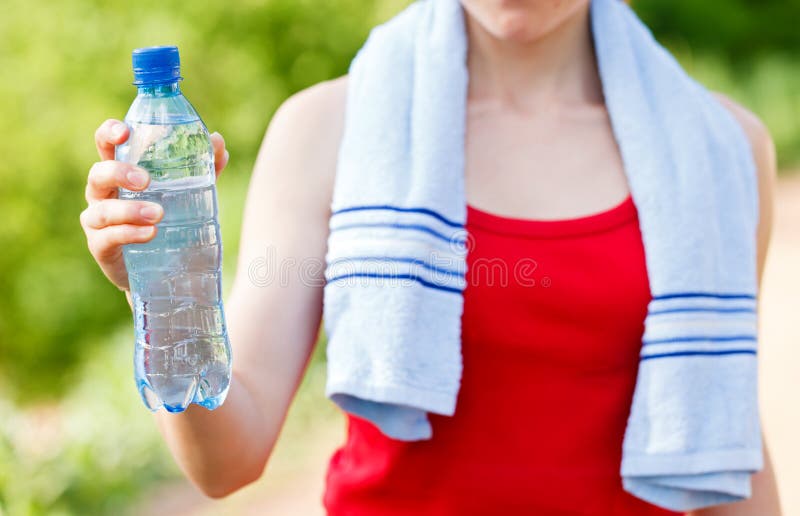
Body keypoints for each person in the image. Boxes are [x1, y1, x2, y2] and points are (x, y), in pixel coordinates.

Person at [80, 0, 781, 514]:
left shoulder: (719, 148)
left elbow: (723, 444)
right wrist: (162, 291)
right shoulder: (326, 130)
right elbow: (225, 464)